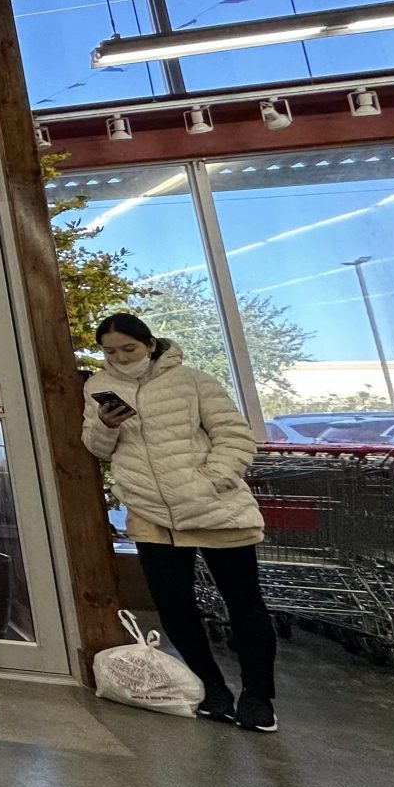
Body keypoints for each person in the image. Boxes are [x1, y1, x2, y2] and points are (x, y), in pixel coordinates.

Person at [82, 312, 277, 733]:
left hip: (216, 511)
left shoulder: (193, 381)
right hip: (153, 516)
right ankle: (213, 688)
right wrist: (106, 426)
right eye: (110, 351)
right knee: (174, 607)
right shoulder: (98, 387)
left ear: (150, 344)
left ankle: (259, 697)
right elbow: (96, 448)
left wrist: (209, 481)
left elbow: (235, 436)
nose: (119, 357)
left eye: (128, 349)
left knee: (243, 604)